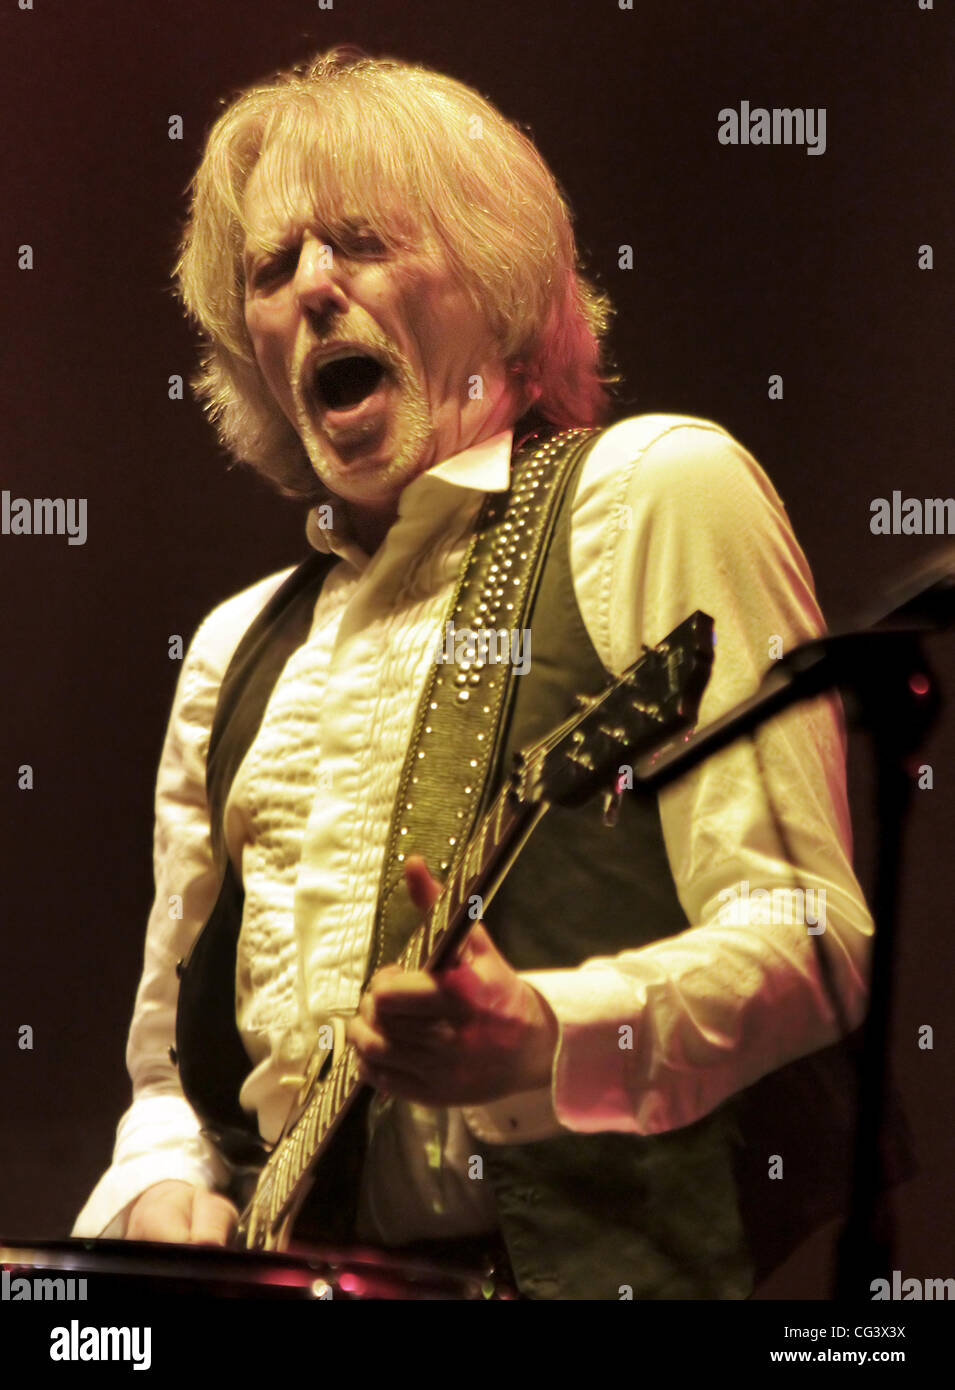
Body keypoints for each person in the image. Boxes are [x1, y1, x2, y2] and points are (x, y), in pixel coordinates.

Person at [73, 47, 879, 1299]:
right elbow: (171, 1074)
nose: (314, 287)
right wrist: (164, 1181)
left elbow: (813, 938)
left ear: (495, 273)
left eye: (360, 241)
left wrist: (545, 1031)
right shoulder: (234, 646)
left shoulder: (653, 486)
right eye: (272, 269)